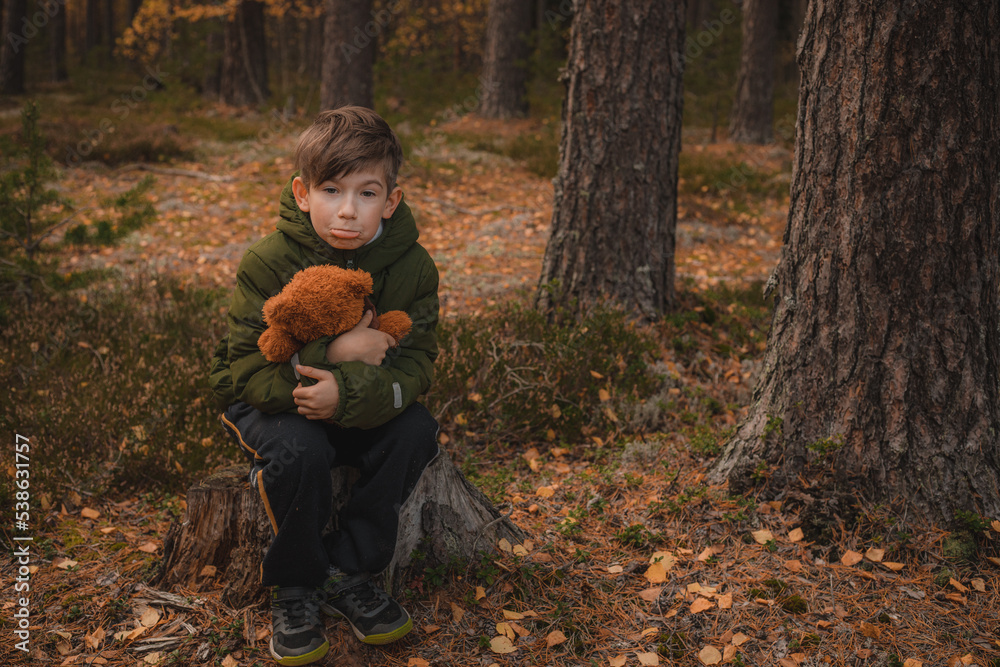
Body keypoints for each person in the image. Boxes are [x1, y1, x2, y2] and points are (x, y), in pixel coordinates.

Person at [209, 106, 440, 666]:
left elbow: (418, 363)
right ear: (302, 192)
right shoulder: (268, 260)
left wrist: (350, 395)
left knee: (415, 431)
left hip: (354, 403)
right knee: (301, 450)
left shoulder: (411, 267)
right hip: (272, 398)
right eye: (332, 189)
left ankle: (350, 571)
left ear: (391, 200)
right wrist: (330, 355)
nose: (347, 210)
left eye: (366, 193)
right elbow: (243, 367)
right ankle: (296, 587)